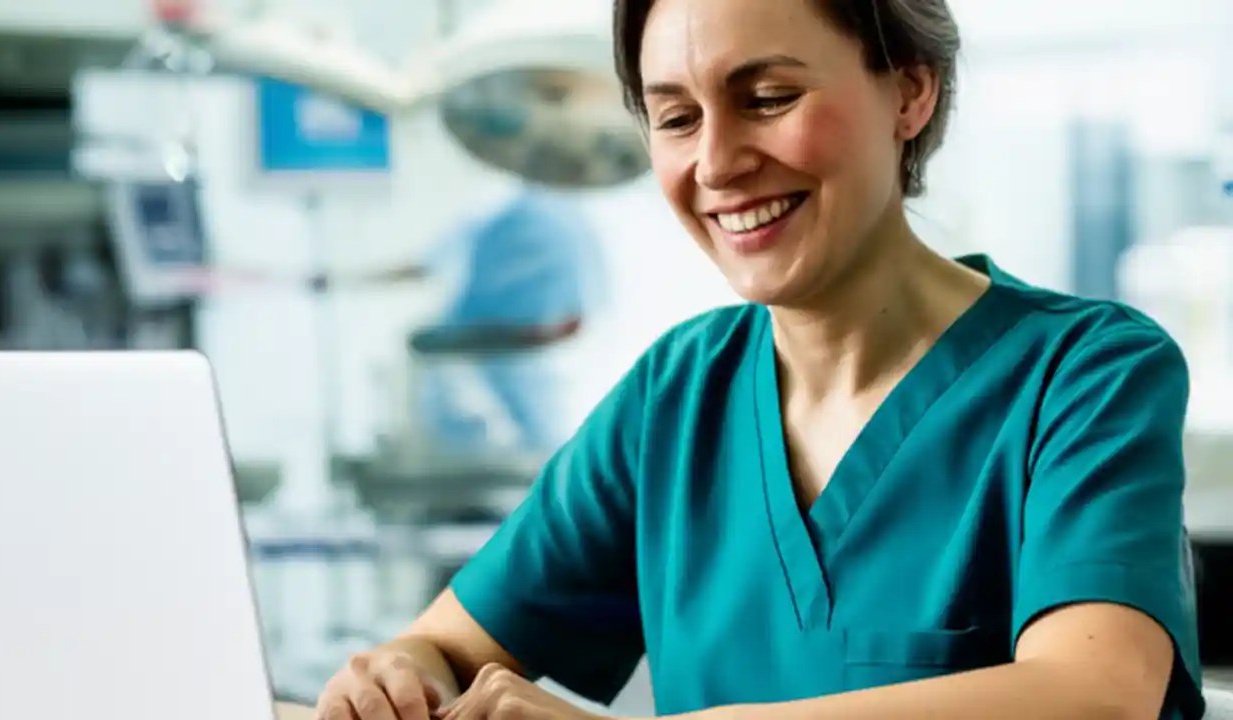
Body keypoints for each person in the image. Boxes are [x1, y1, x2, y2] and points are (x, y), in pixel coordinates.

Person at [316, 0, 1206, 718]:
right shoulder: (677, 396)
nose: (716, 161)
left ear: (909, 92)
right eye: (675, 116)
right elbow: (445, 644)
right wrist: (397, 674)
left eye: (769, 98)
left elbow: (1094, 696)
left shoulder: (1086, 374)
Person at [325, 190, 606, 455]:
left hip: (504, 348)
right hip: (511, 349)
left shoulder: (523, 219)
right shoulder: (555, 221)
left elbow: (424, 266)